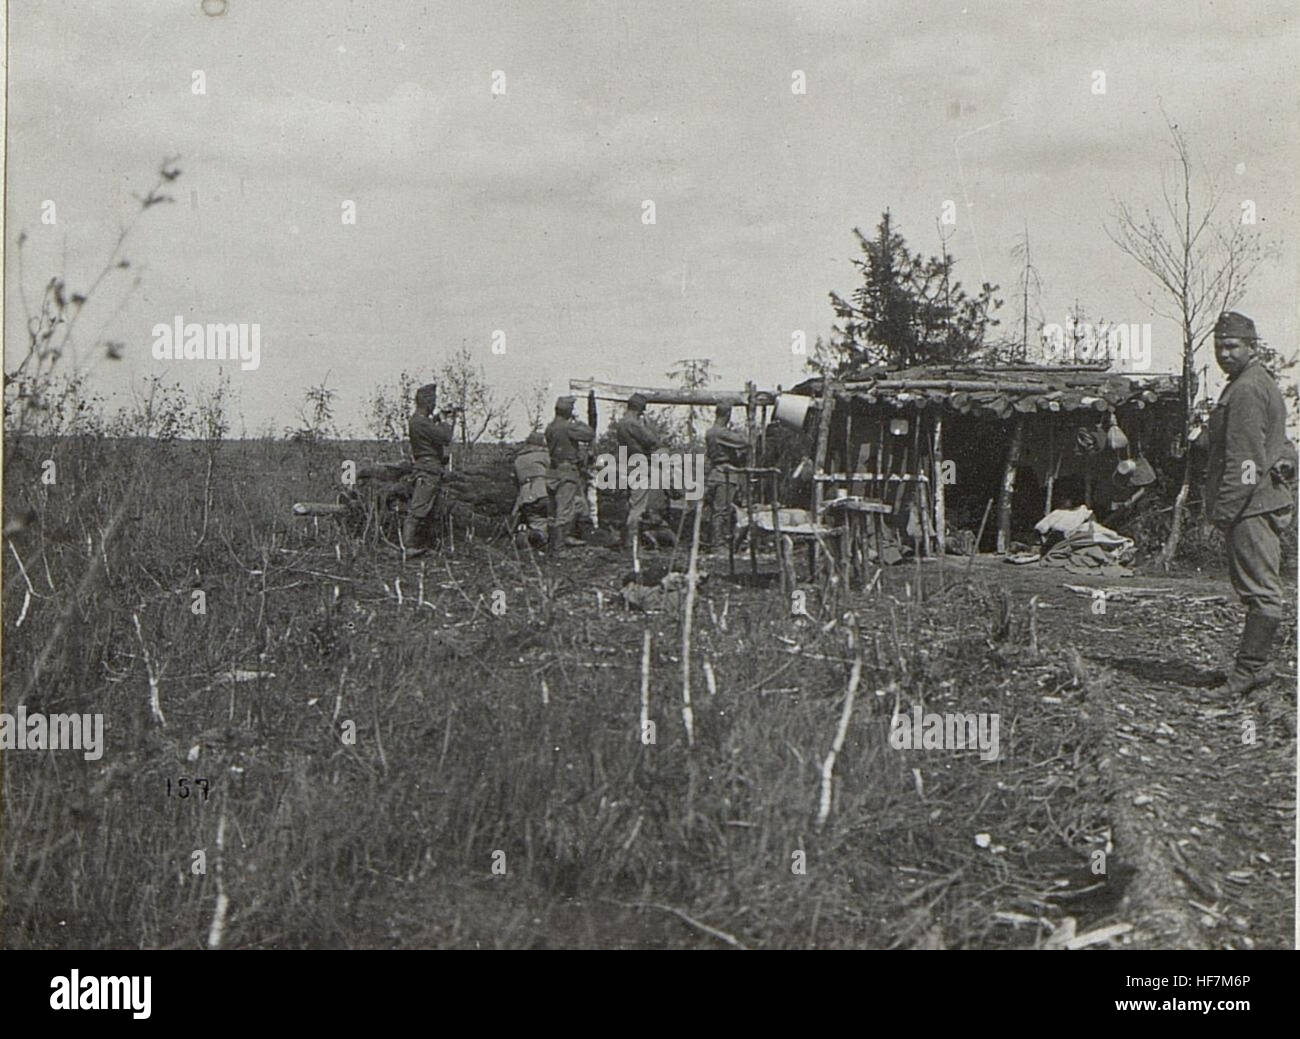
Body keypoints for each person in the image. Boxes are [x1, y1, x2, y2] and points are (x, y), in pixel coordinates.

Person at [1203, 311, 1297, 697]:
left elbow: (1246, 462)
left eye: (1233, 346)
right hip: (1256, 502)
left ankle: (1250, 671)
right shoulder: (1253, 382)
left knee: (1262, 593)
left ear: (1251, 347)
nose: (1224, 353)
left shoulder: (1245, 389)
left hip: (1251, 506)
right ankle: (1253, 666)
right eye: (1219, 346)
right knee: (1259, 590)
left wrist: (1224, 513)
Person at [403, 383, 455, 556]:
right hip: (429, 469)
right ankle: (408, 546)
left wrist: (438, 419)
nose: (434, 405)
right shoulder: (420, 422)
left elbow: (431, 432)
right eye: (433, 401)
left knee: (431, 510)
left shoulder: (420, 421)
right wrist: (447, 422)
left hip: (430, 467)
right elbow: (445, 437)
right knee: (419, 508)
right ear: (426, 402)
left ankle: (425, 546)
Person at [614, 393, 665, 548]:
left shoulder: (622, 422)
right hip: (639, 466)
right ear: (641, 408)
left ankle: (627, 540)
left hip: (627, 465)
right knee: (638, 506)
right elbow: (653, 441)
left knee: (631, 504)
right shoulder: (633, 424)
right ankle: (631, 543)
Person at [544, 396, 595, 549]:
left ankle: (561, 539)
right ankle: (559, 546)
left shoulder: (550, 427)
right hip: (567, 471)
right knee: (565, 508)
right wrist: (576, 421)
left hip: (553, 470)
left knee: (561, 507)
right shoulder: (568, 427)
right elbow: (589, 434)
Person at [704, 403, 749, 550]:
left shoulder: (711, 432)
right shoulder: (720, 433)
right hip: (725, 475)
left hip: (716, 473)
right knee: (722, 511)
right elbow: (744, 442)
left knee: (719, 511)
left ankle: (719, 541)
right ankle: (718, 545)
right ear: (727, 414)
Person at [511, 431, 551, 549]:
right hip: (543, 493)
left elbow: (515, 481)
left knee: (537, 521)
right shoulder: (544, 455)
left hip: (525, 497)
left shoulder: (518, 459)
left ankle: (527, 536)